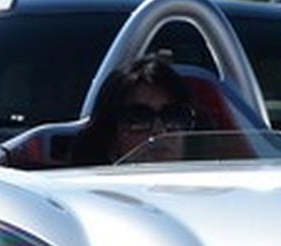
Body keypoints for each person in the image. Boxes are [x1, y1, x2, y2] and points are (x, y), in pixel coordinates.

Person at [70, 50, 200, 165]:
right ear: (110, 136)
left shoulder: (215, 187)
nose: (159, 131)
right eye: (138, 118)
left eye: (174, 116)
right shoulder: (77, 191)